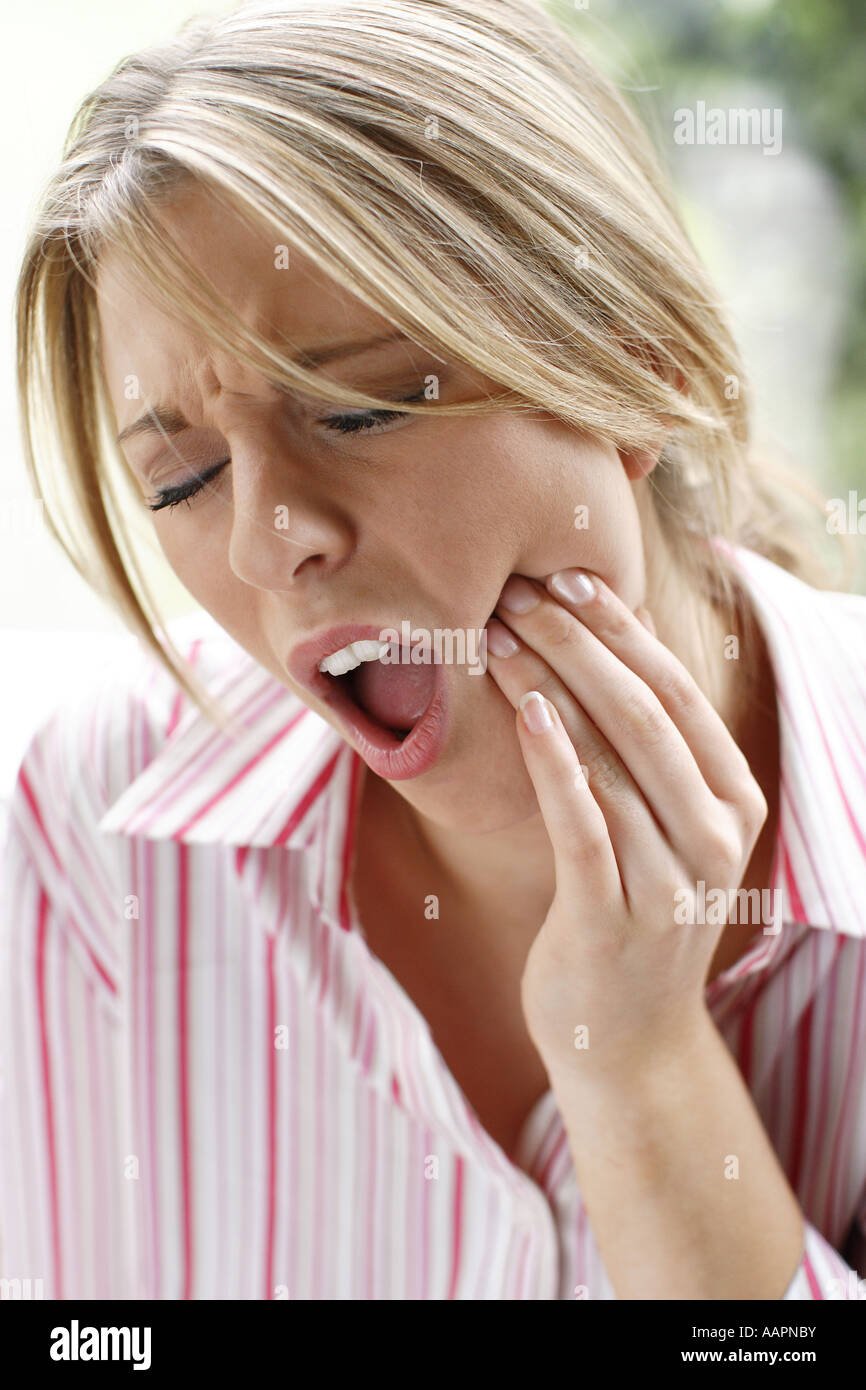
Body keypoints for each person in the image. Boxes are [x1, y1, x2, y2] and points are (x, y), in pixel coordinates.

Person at [2, 0, 864, 1300]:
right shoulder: (82, 835)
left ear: (633, 364)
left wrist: (638, 1064)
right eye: (182, 479)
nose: (268, 542)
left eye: (354, 405)